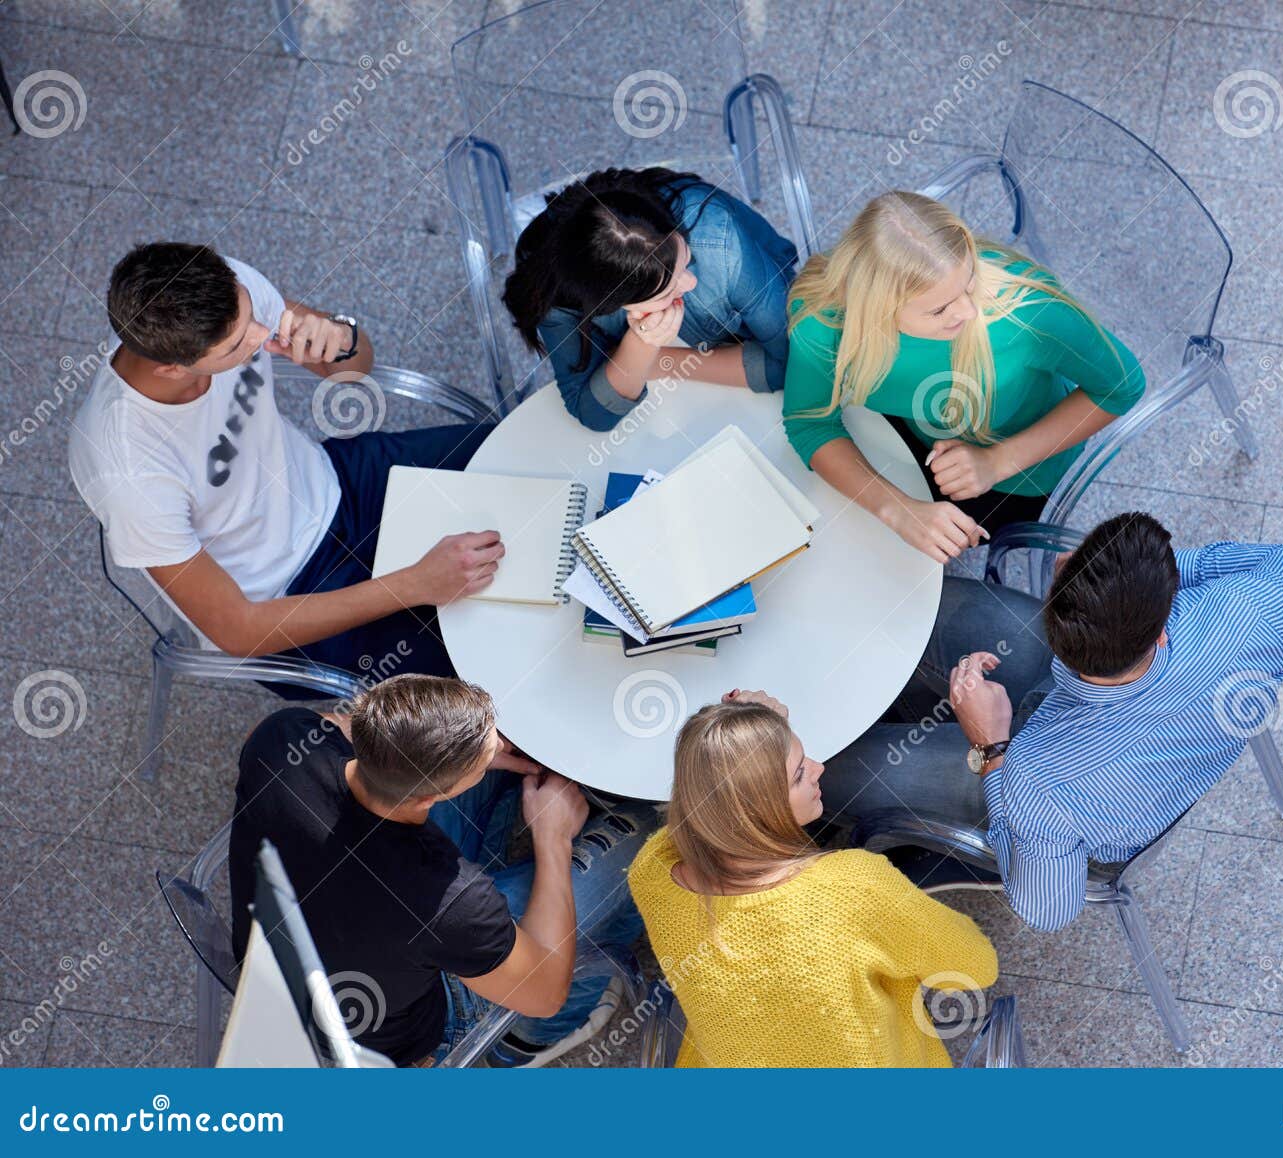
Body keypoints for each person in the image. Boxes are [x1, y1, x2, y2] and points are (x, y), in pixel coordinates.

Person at [825, 512, 1283, 924]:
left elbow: (1048, 909)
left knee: (830, 768)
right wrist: (1135, 591)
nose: (1066, 560)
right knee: (913, 612)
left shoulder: (1037, 791)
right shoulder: (1254, 608)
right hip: (1114, 727)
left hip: (1037, 781)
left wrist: (991, 747)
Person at [68, 242, 502, 689]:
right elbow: (238, 630)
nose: (260, 334)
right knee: (491, 676)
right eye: (238, 343)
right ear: (172, 370)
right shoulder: (127, 469)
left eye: (252, 316)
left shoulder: (227, 292)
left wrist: (339, 338)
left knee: (515, 460)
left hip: (338, 481)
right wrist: (412, 584)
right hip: (290, 598)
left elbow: (356, 367)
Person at [228, 674, 657, 1067]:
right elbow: (544, 993)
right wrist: (554, 840)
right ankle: (524, 1045)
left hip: (282, 970)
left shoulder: (279, 740)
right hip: (398, 1034)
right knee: (649, 837)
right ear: (435, 795)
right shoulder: (453, 903)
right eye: (481, 757)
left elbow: (310, 730)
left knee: (500, 784)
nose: (497, 747)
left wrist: (454, 751)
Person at [628, 690, 997, 1067]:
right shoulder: (853, 888)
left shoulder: (652, 874)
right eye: (799, 773)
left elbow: (692, 818)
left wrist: (759, 735)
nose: (820, 768)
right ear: (760, 808)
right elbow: (975, 967)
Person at [782, 192, 1146, 563]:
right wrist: (899, 510)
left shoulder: (1030, 311)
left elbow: (1121, 387)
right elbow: (811, 425)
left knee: (887, 559)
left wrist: (997, 462)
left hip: (1019, 471)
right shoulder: (823, 319)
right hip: (917, 433)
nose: (969, 311)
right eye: (940, 309)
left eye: (969, 281)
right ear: (877, 309)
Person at [502, 167, 798, 430]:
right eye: (667, 290)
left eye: (686, 259)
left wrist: (659, 362)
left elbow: (799, 364)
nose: (690, 281)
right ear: (610, 304)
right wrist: (642, 343)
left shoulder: (717, 239)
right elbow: (592, 413)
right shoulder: (551, 289)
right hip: (706, 389)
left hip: (740, 355)